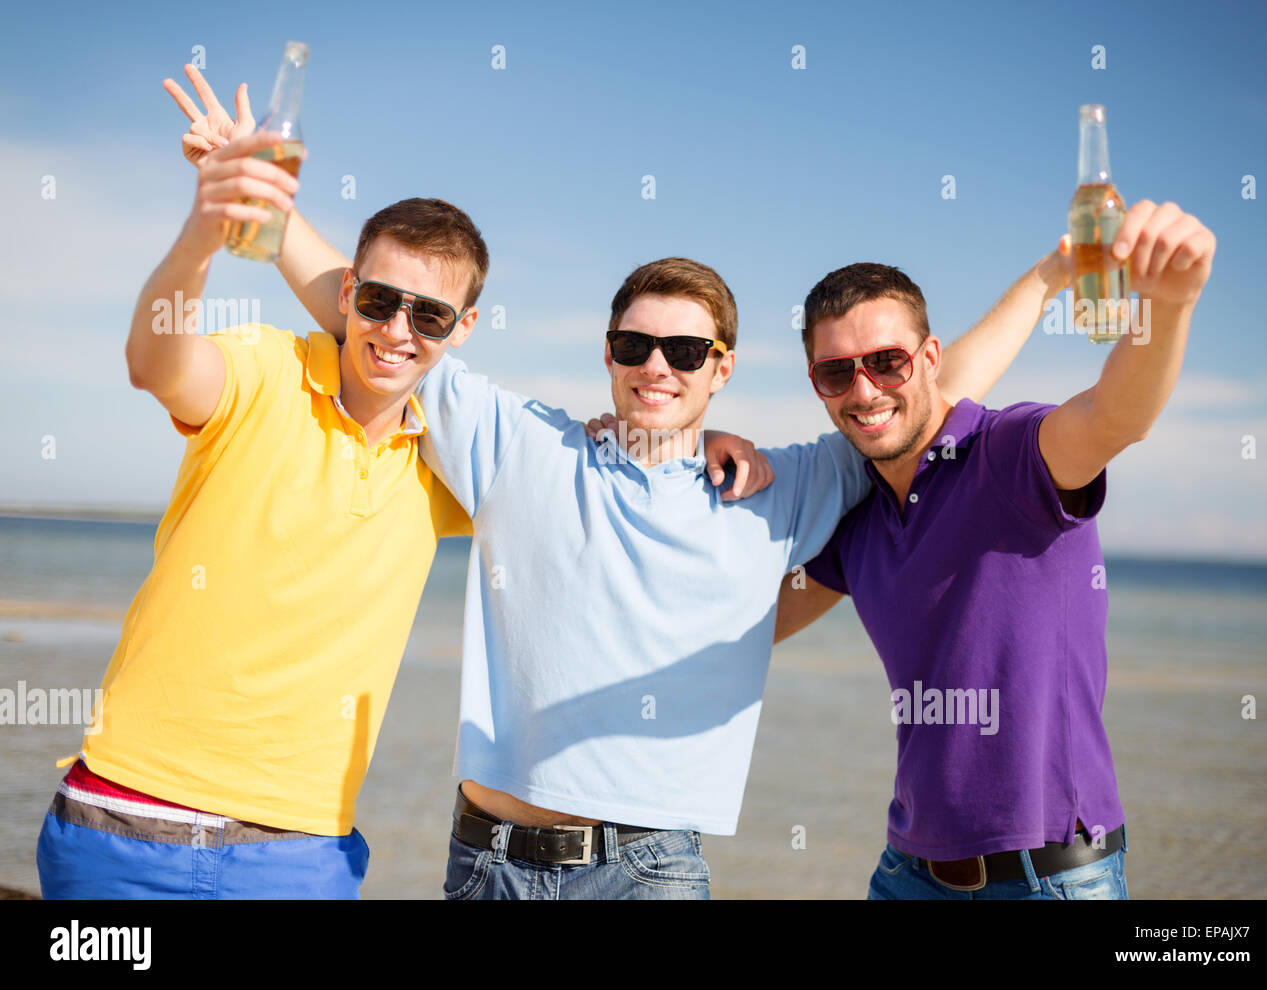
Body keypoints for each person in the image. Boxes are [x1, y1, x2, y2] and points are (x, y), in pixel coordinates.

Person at [169, 66, 1071, 899]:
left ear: (721, 367)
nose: (656, 367)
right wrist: (261, 198)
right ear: (608, 353)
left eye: (684, 351)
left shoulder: (783, 486)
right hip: (487, 860)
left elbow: (927, 399)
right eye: (636, 345)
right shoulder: (519, 445)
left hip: (649, 871)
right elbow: (380, 314)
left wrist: (1048, 277)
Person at [35, 127, 484, 898]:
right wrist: (204, 234)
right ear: (347, 295)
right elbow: (155, 363)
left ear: (463, 328)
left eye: (430, 317)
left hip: (299, 855)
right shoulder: (267, 366)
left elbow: (585, 482)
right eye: (378, 301)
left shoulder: (451, 460)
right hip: (124, 825)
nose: (395, 331)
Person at [776, 203, 1216, 899]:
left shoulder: (1008, 457)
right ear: (816, 385)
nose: (864, 390)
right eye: (837, 373)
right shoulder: (858, 519)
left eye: (887, 362)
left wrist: (1170, 303)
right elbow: (749, 626)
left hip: (1049, 878)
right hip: (906, 872)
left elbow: (1114, 417)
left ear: (929, 360)